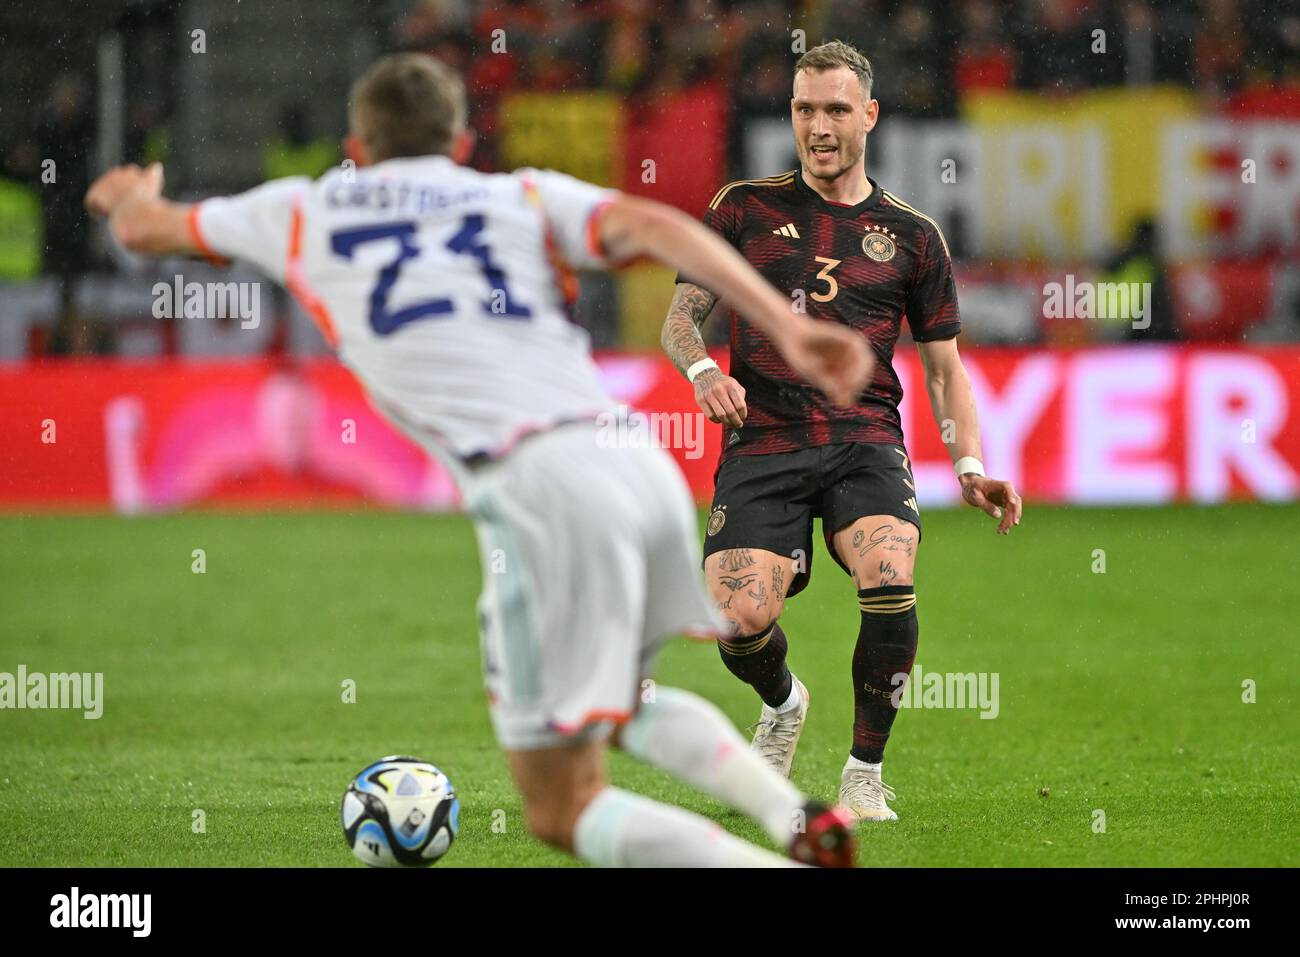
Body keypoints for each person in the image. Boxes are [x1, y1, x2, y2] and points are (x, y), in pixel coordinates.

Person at [85, 53, 874, 867]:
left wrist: (130, 198)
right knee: (626, 703)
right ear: (461, 143)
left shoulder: (303, 210)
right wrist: (788, 328)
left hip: (537, 488)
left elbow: (148, 230)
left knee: (562, 807)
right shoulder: (519, 194)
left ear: (356, 145)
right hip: (628, 459)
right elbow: (651, 225)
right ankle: (797, 816)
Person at [660, 40, 1022, 822]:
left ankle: (864, 770)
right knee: (738, 617)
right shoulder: (741, 208)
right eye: (803, 109)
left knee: (889, 570)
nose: (818, 126)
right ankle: (784, 702)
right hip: (764, 438)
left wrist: (968, 463)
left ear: (870, 115)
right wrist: (703, 373)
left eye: (834, 109)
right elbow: (680, 320)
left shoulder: (914, 235)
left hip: (864, 440)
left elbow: (944, 369)